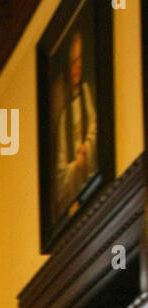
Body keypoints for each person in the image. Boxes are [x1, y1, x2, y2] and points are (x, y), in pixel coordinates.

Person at [56, 31, 97, 211]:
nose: (77, 66)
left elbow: (95, 127)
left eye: (80, 60)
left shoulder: (88, 93)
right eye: (73, 62)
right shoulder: (64, 116)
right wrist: (75, 166)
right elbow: (61, 170)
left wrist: (87, 147)